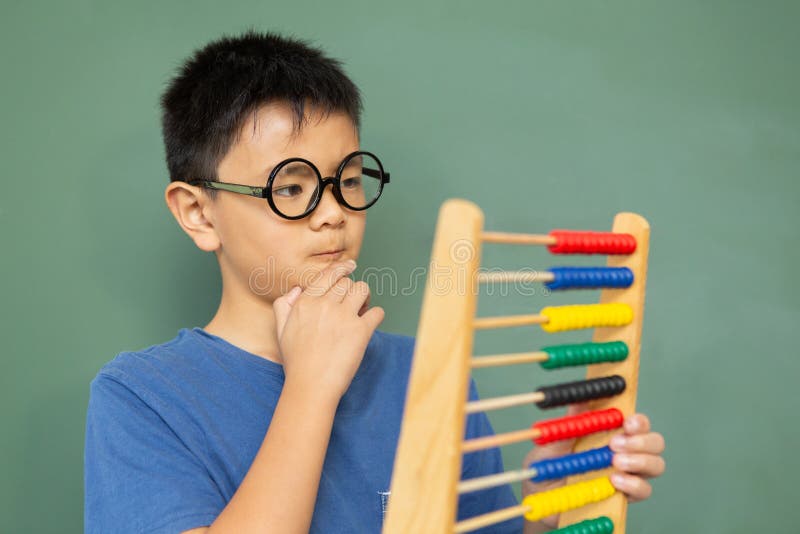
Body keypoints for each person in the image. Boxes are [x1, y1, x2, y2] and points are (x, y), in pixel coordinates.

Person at [84, 31, 665, 534]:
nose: (334, 211)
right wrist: (310, 387)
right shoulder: (141, 398)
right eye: (290, 188)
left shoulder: (425, 374)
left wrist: (557, 490)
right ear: (199, 214)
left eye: (350, 180)